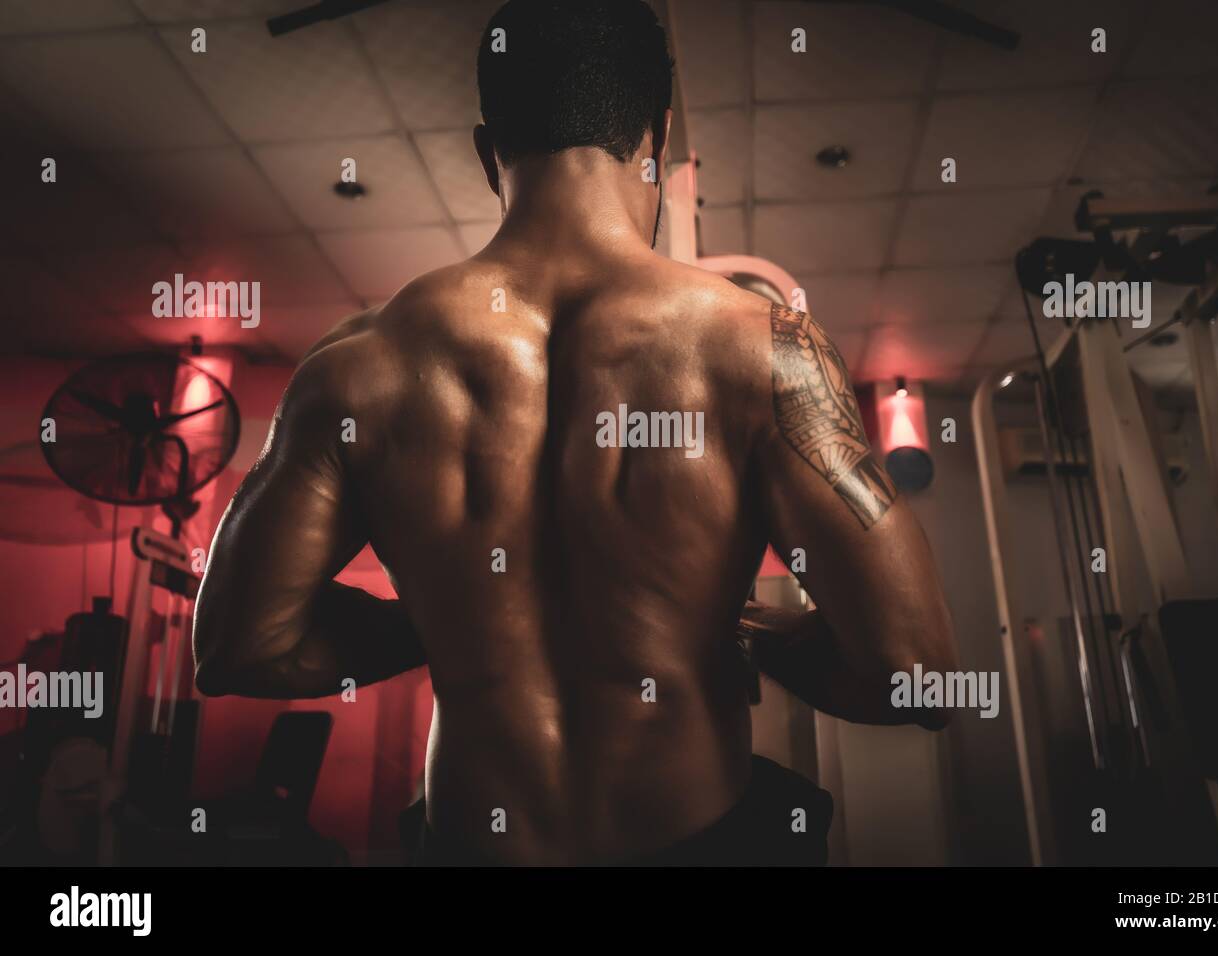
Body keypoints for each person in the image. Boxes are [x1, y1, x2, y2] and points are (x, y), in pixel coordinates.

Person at [192, 0, 956, 866]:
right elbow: (915, 670)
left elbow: (242, 648)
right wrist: (737, 627)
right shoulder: (762, 349)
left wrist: (455, 623)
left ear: (489, 152)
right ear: (655, 138)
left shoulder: (361, 364)